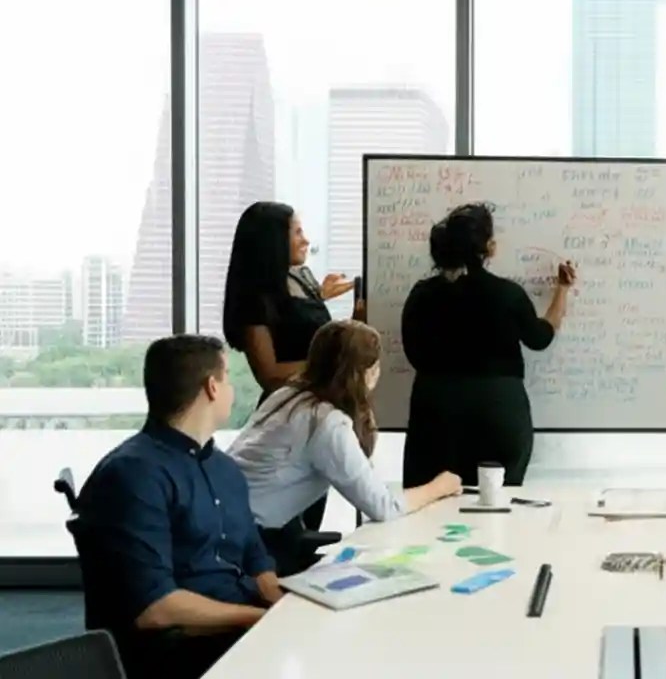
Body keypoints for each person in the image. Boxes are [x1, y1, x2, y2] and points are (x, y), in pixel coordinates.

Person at [72, 335, 281, 679]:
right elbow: (155, 609)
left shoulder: (224, 469)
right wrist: (258, 619)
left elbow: (256, 559)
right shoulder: (133, 475)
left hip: (237, 626)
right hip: (180, 649)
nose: (231, 389)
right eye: (227, 376)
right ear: (212, 387)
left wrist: (288, 605)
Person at [229, 319, 462, 575]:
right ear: (367, 372)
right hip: (251, 544)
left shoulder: (289, 396)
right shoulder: (326, 422)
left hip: (233, 526)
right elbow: (383, 506)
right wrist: (440, 486)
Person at [400, 203, 575, 488]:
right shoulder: (507, 294)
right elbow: (540, 337)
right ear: (489, 248)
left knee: (429, 502)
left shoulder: (422, 295)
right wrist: (562, 291)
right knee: (496, 502)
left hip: (435, 410)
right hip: (497, 409)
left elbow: (412, 352)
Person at [222, 200, 360, 531]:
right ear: (273, 241)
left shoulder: (299, 281)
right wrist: (334, 358)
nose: (305, 239)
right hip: (288, 427)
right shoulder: (256, 299)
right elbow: (270, 374)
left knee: (308, 520)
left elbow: (305, 334)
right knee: (288, 532)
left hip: (317, 418)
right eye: (296, 231)